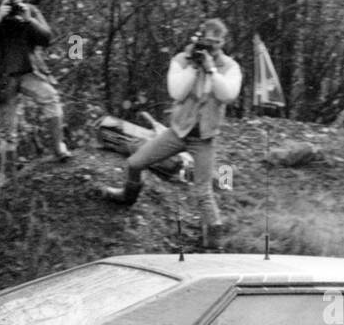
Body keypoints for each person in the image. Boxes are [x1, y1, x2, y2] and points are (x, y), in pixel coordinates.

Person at [103, 18, 243, 248]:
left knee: (202, 191)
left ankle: (214, 238)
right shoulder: (181, 60)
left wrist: (211, 70)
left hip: (205, 137)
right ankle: (127, 196)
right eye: (207, 42)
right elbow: (176, 93)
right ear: (199, 39)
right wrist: (194, 67)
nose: (211, 48)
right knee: (135, 162)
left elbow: (228, 95)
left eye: (215, 44)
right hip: (178, 132)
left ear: (222, 43)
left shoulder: (229, 67)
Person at [0, 0, 70, 183]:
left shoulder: (31, 11)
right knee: (8, 129)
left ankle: (58, 147)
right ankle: (8, 174)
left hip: (29, 72)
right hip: (2, 77)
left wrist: (29, 20)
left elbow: (46, 38)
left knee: (50, 97)